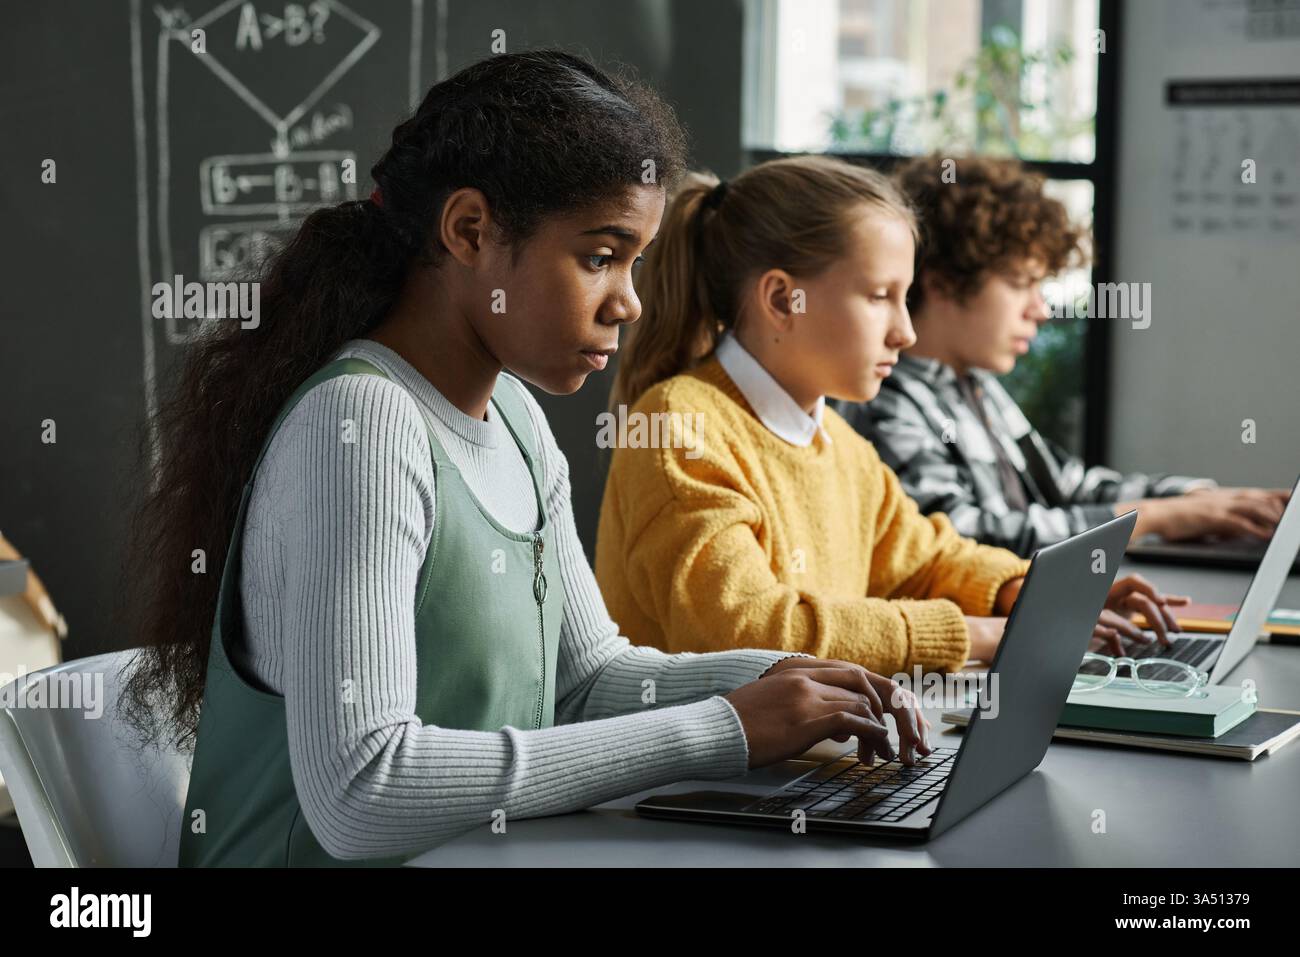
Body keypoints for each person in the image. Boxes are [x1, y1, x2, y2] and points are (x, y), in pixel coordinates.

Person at [116, 51, 930, 867]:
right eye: (600, 256)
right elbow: (363, 791)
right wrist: (724, 728)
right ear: (470, 230)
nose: (631, 301)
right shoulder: (358, 425)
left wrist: (787, 675)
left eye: (636, 261)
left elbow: (584, 680)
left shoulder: (515, 416)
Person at [595, 155, 1186, 679]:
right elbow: (747, 631)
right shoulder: (680, 426)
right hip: (692, 792)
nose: (905, 331)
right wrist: (975, 636)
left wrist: (1030, 592)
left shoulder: (840, 445)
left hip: (803, 765)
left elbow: (929, 559)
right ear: (781, 300)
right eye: (880, 297)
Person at [840, 155, 1288, 557]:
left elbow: (1069, 485)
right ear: (943, 285)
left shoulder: (972, 386)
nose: (1040, 309)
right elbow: (966, 541)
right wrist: (1154, 518)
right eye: (1021, 284)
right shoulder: (889, 400)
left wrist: (1202, 500)